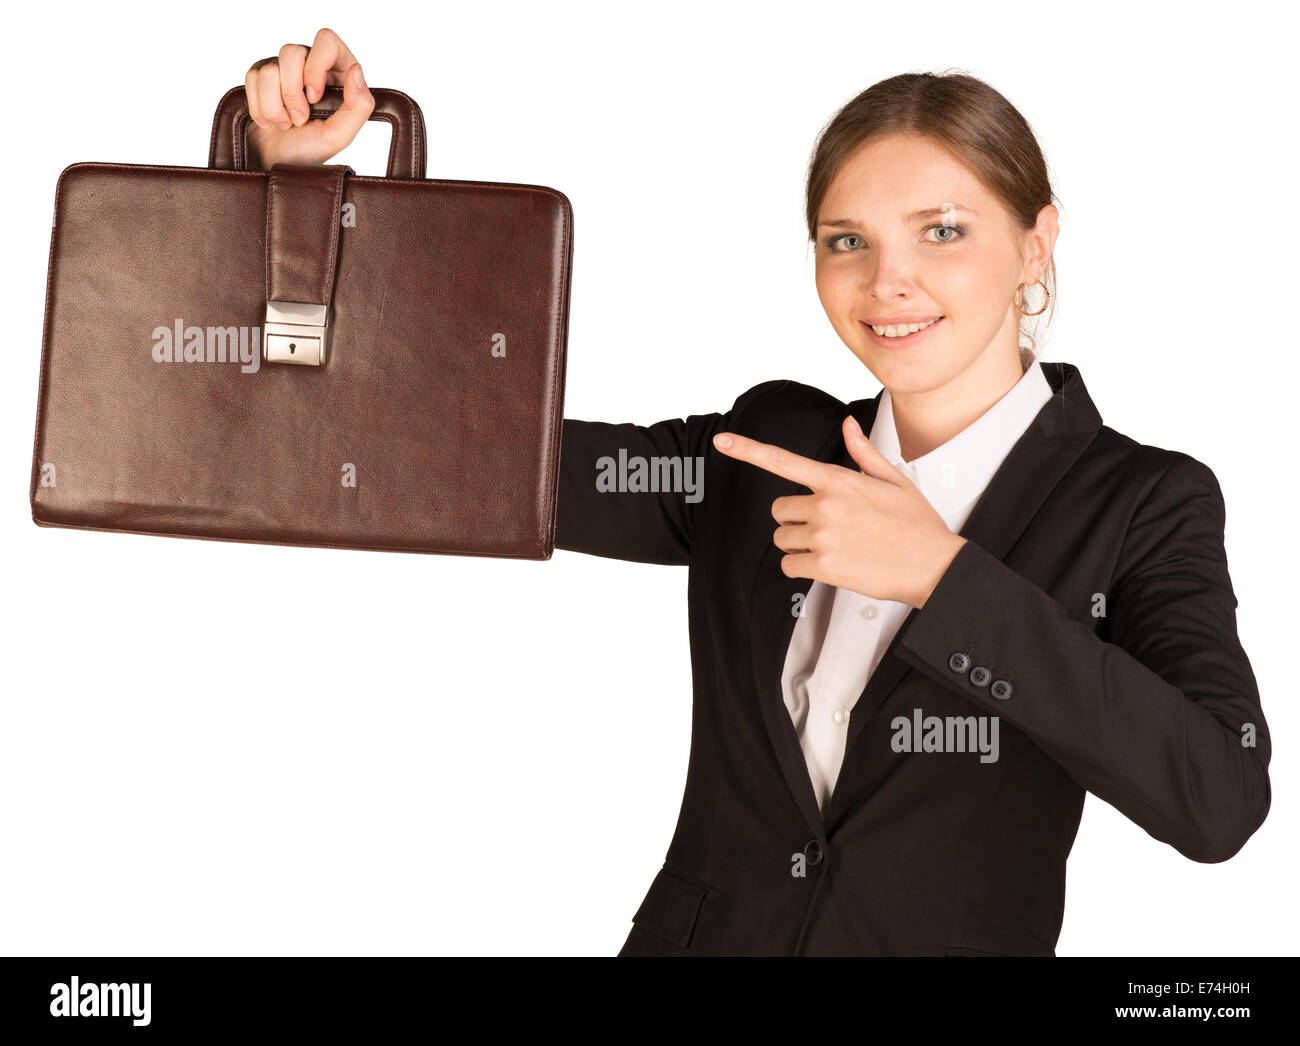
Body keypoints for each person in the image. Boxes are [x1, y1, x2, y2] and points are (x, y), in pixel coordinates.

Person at [242, 30, 1271, 956]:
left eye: (943, 231)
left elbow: (1217, 795)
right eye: (845, 238)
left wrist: (941, 575)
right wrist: (310, 214)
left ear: (1034, 244)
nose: (887, 281)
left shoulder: (1142, 502)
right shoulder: (764, 447)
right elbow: (442, 460)